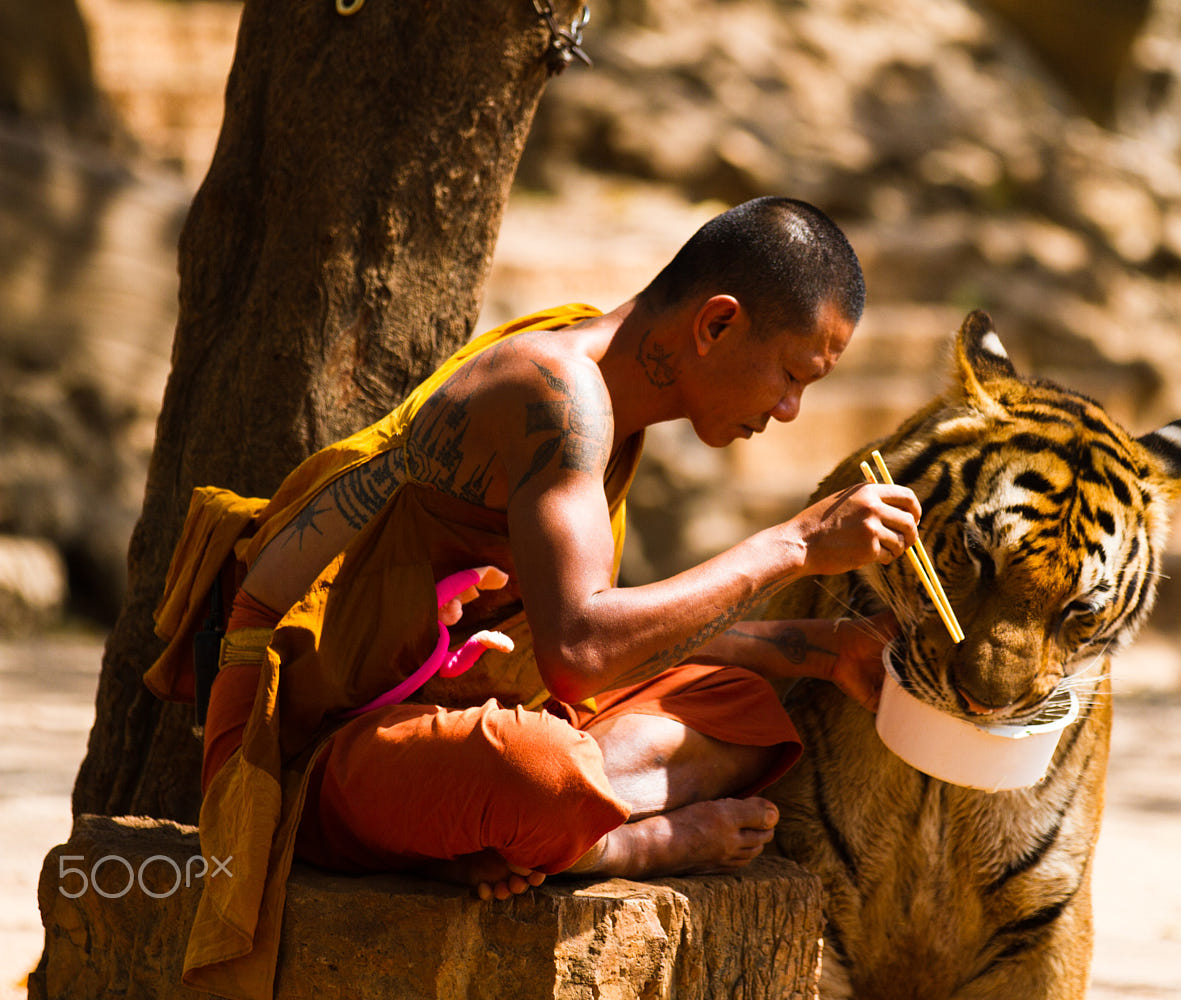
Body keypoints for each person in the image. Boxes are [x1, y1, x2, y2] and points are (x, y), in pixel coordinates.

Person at [145, 196, 920, 999]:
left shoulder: (612, 398)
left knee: (745, 711)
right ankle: (617, 843)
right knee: (539, 771)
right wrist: (793, 545)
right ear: (716, 324)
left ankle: (516, 830)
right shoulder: (556, 393)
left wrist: (822, 649)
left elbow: (585, 626)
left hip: (457, 703)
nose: (790, 410)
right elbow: (582, 652)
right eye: (792, 376)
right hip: (309, 742)